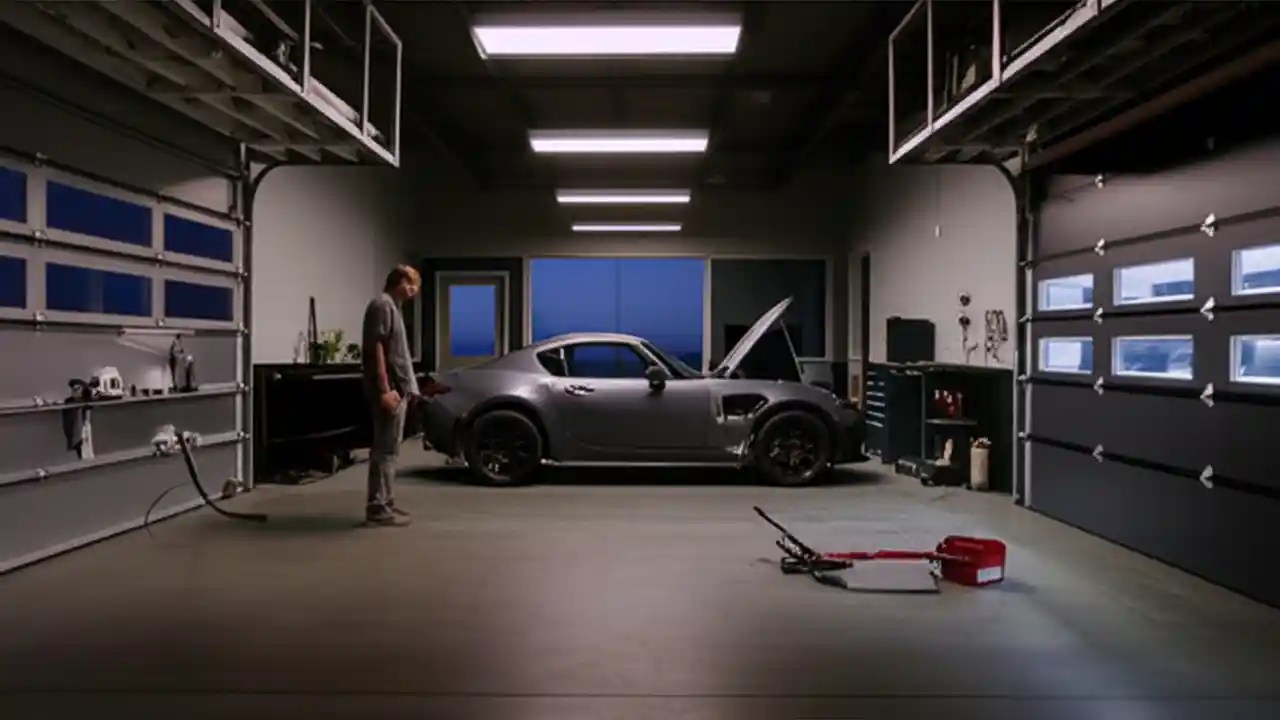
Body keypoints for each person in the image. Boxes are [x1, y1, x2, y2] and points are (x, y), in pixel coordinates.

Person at [361, 264, 421, 526]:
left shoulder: (393, 308)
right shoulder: (382, 306)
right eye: (412, 283)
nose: (414, 290)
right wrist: (384, 391)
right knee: (384, 451)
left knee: (391, 449)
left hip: (399, 389)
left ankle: (387, 502)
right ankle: (377, 508)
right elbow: (377, 351)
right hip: (390, 391)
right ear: (399, 281)